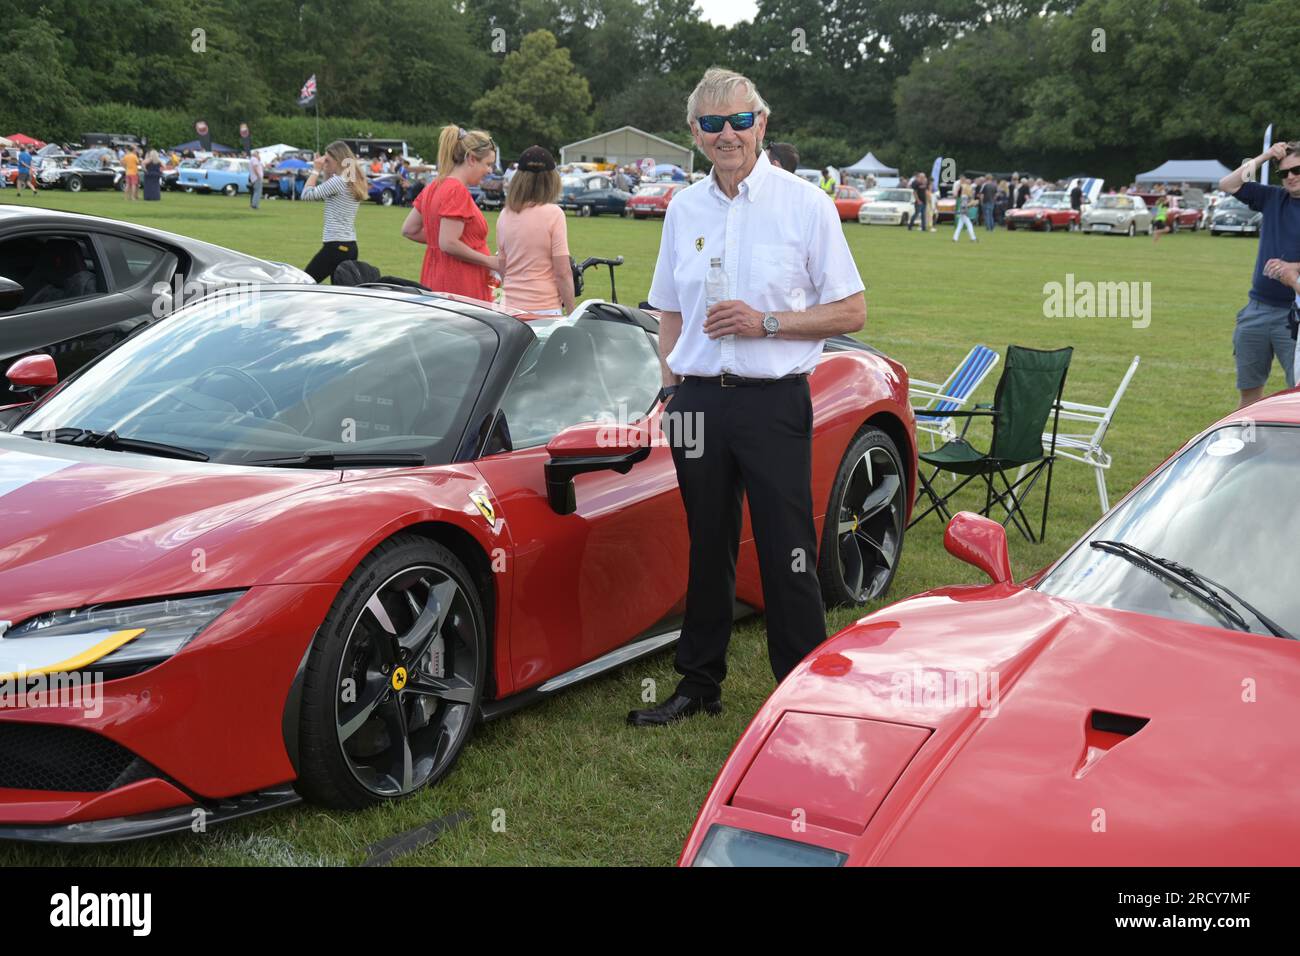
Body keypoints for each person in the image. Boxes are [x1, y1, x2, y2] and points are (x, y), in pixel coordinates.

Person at [626, 67, 866, 727]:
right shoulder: (684, 207)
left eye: (738, 120)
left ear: (762, 122)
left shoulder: (805, 205)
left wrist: (766, 322)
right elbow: (668, 310)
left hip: (773, 401)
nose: (726, 134)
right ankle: (698, 686)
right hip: (698, 404)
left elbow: (852, 310)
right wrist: (671, 391)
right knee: (706, 545)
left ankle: (802, 696)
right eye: (711, 123)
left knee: (789, 548)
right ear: (695, 133)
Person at [1219, 141, 1300, 407]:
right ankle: (1249, 445)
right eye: (1283, 172)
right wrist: (1266, 156)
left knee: (1297, 393)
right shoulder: (1275, 198)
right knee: (1249, 394)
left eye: (1296, 170)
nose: (1290, 176)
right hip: (1258, 310)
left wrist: (1295, 267)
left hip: (1295, 314)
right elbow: (1228, 184)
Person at [400, 125, 499, 300]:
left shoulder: (434, 186)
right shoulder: (456, 190)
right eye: (488, 164)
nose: (490, 170)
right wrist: (489, 261)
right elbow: (448, 243)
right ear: (471, 159)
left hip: (435, 276)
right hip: (460, 282)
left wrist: (438, 239)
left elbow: (410, 229)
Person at [496, 146, 574, 315]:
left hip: (509, 307)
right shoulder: (554, 214)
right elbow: (563, 272)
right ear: (551, 180)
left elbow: (503, 267)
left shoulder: (505, 214)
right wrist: (572, 312)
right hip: (544, 306)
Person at [299, 140, 368, 283]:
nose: (325, 163)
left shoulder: (338, 182)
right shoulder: (352, 180)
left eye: (328, 161)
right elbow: (327, 188)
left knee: (305, 283)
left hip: (336, 246)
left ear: (338, 160)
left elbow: (306, 195)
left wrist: (316, 170)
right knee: (338, 295)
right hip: (350, 246)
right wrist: (325, 169)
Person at [952, 177, 977, 242]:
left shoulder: (964, 194)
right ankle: (973, 238)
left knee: (960, 225)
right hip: (964, 210)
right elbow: (966, 204)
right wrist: (972, 203)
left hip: (963, 210)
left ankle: (955, 238)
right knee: (969, 224)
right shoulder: (966, 195)